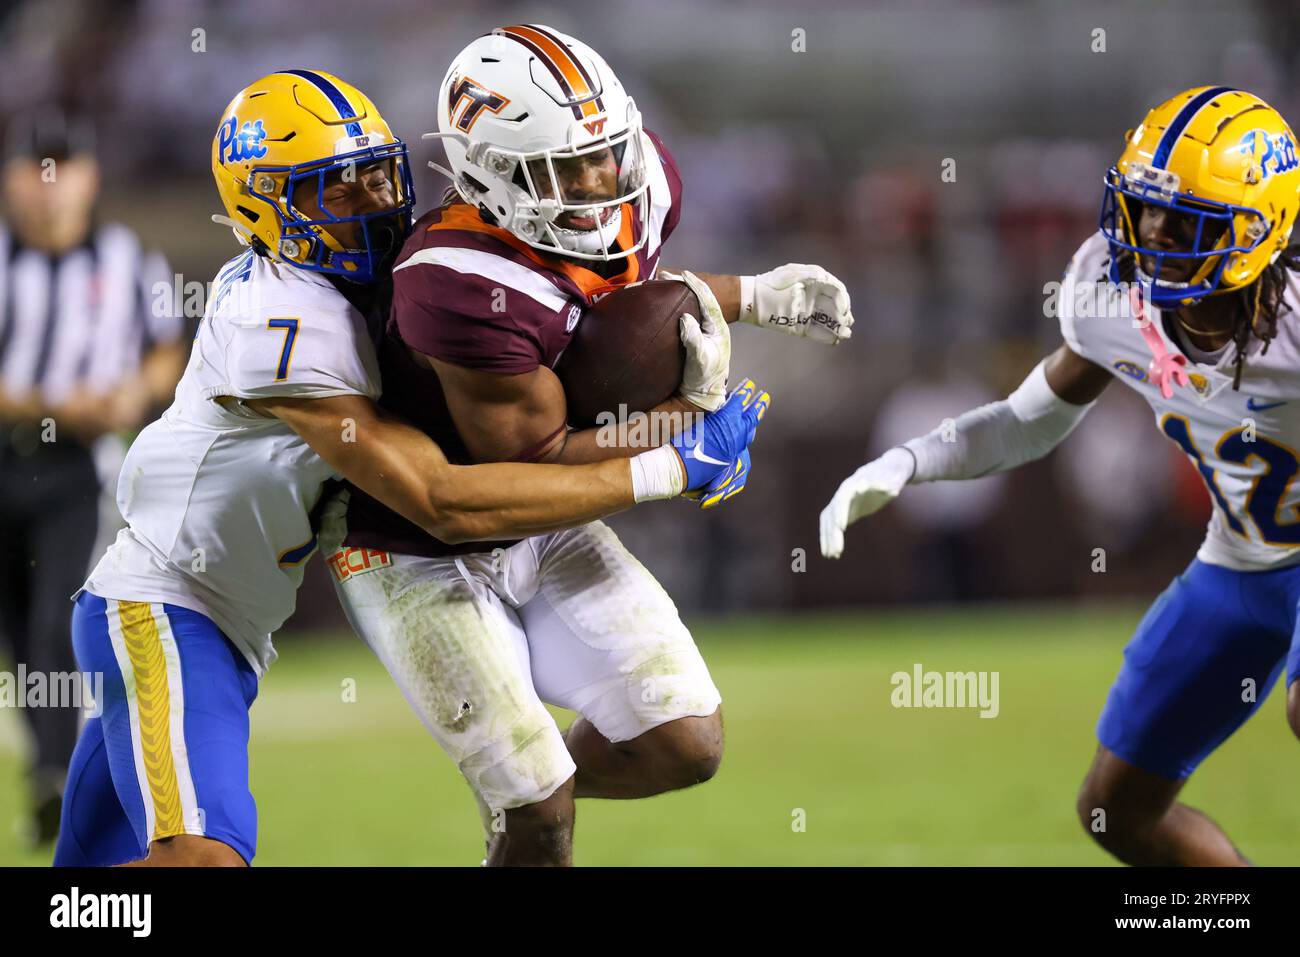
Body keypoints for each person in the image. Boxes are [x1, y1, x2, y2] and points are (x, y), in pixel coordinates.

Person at [53, 70, 764, 867]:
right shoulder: (278, 319)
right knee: (202, 862)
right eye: (334, 191)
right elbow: (440, 499)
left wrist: (718, 331)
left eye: (377, 176)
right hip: (165, 601)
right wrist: (666, 464)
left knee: (89, 876)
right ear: (261, 207)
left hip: (232, 619)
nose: (372, 206)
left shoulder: (405, 272)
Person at [332, 25, 853, 865]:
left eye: (605, 153)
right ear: (485, 174)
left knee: (684, 742)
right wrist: (683, 430)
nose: (598, 182)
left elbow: (623, 307)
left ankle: (528, 790)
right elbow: (530, 461)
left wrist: (753, 294)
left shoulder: (635, 184)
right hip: (417, 546)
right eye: (565, 169)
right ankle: (530, 799)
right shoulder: (456, 281)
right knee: (539, 808)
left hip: (542, 522)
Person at [821, 86, 1300, 865]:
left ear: (1257, 231)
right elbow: (1026, 420)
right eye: (1145, 208)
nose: (1152, 233)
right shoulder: (1111, 296)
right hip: (1243, 558)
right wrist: (910, 459)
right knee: (1115, 812)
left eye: (1185, 220)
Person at [0, 108, 184, 846]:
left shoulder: (127, 258)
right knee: (20, 632)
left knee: (56, 617)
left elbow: (168, 347)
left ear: (90, 176)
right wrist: (50, 402)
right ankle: (51, 765)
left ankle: (59, 774)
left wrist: (132, 395)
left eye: (63, 167)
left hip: (74, 467)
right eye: (35, 168)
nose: (49, 186)